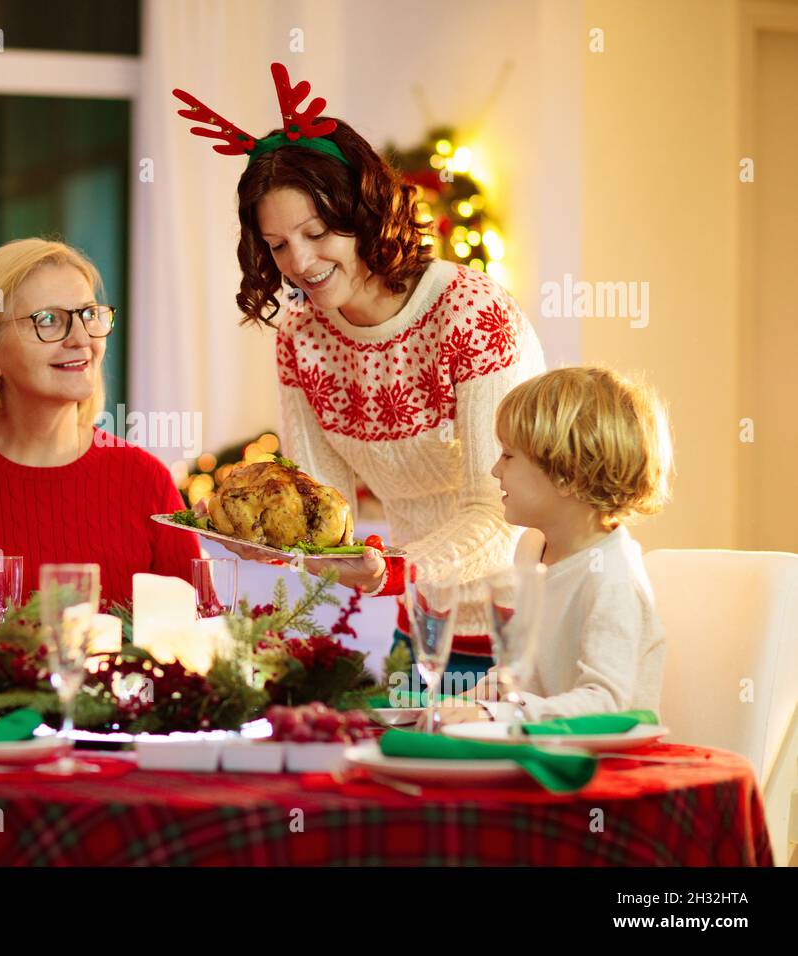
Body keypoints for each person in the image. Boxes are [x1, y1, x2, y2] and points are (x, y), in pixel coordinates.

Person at [176, 62, 545, 684]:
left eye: (316, 233)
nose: (300, 262)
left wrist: (391, 566)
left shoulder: (470, 314)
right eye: (277, 245)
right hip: (414, 628)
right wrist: (264, 537)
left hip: (519, 628)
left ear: (365, 211)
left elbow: (498, 512)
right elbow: (325, 517)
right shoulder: (301, 338)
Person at [0, 238, 200, 606]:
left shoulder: (146, 481)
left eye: (89, 315)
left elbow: (198, 639)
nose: (81, 339)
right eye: (48, 320)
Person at [443, 367, 672, 723]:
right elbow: (519, 674)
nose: (494, 471)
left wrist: (492, 715)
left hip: (606, 765)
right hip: (541, 747)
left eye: (508, 456)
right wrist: (461, 705)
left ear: (566, 474)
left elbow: (605, 702)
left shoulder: (612, 578)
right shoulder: (532, 548)